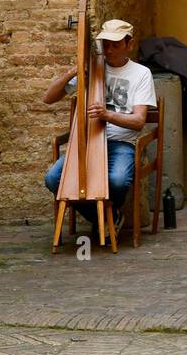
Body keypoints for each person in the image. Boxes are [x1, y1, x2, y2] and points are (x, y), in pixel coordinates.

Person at [43, 19, 156, 235]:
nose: (109, 50)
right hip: (87, 142)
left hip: (122, 143)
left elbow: (139, 120)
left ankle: (107, 216)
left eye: (115, 44)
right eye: (106, 44)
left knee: (117, 181)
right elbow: (48, 98)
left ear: (129, 45)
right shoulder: (92, 69)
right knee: (53, 179)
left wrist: (107, 115)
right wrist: (73, 71)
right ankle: (108, 217)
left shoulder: (141, 74)